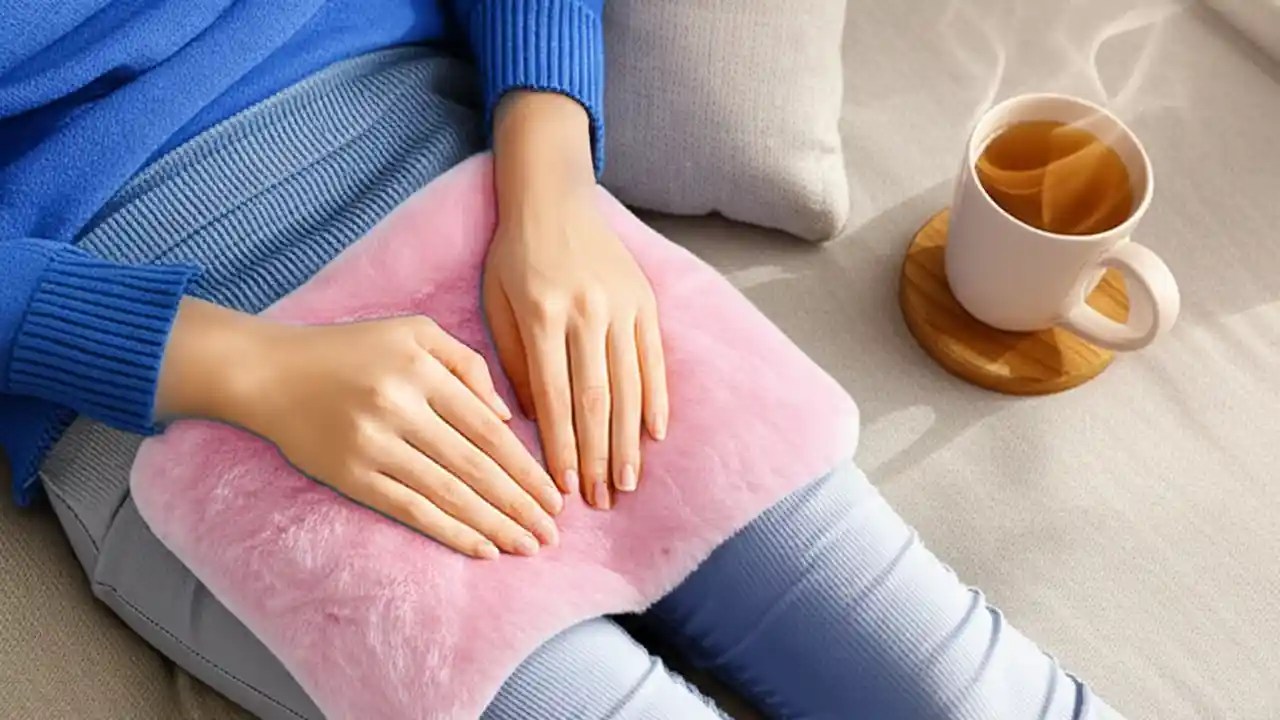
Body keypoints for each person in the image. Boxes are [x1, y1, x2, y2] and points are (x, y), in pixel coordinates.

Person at [1, 1, 1118, 718]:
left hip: (471, 191)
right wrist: (242, 368)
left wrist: (552, 181)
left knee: (963, 694)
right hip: (148, 379)